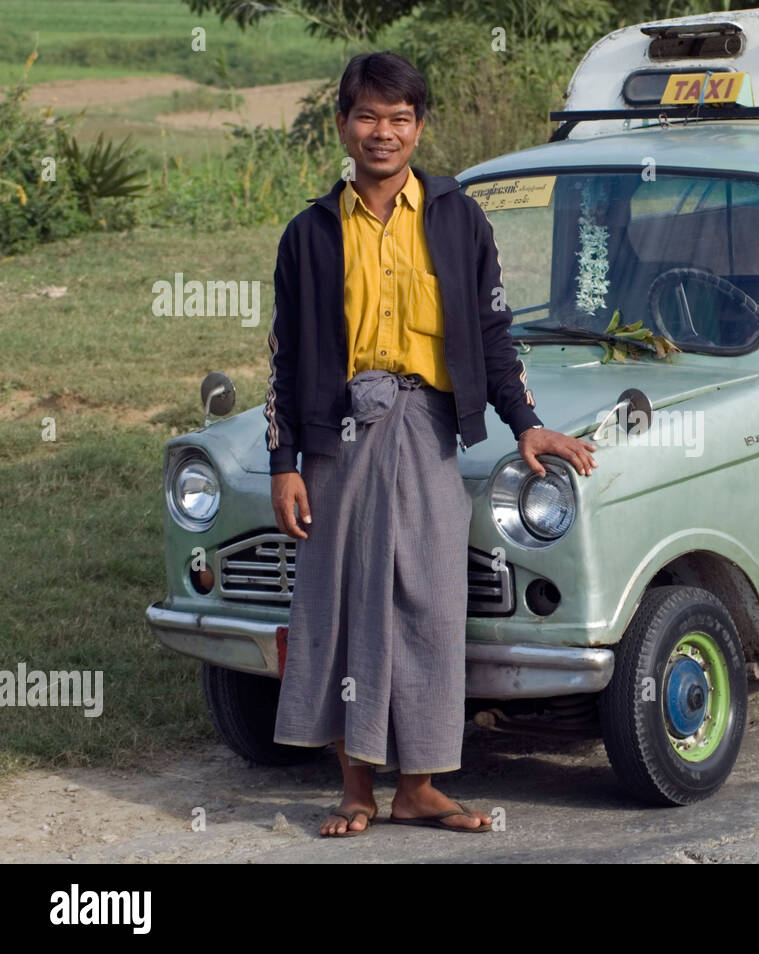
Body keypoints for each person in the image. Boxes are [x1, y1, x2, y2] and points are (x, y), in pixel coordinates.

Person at [263, 51, 597, 836]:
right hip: (339, 434)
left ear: (421, 126)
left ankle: (419, 786)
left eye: (401, 118)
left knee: (431, 604)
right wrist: (284, 466)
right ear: (343, 124)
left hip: (430, 427)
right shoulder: (309, 234)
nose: (385, 133)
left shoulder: (456, 217)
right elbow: (283, 356)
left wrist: (526, 423)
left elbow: (491, 333)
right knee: (344, 604)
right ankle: (356, 788)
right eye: (369, 117)